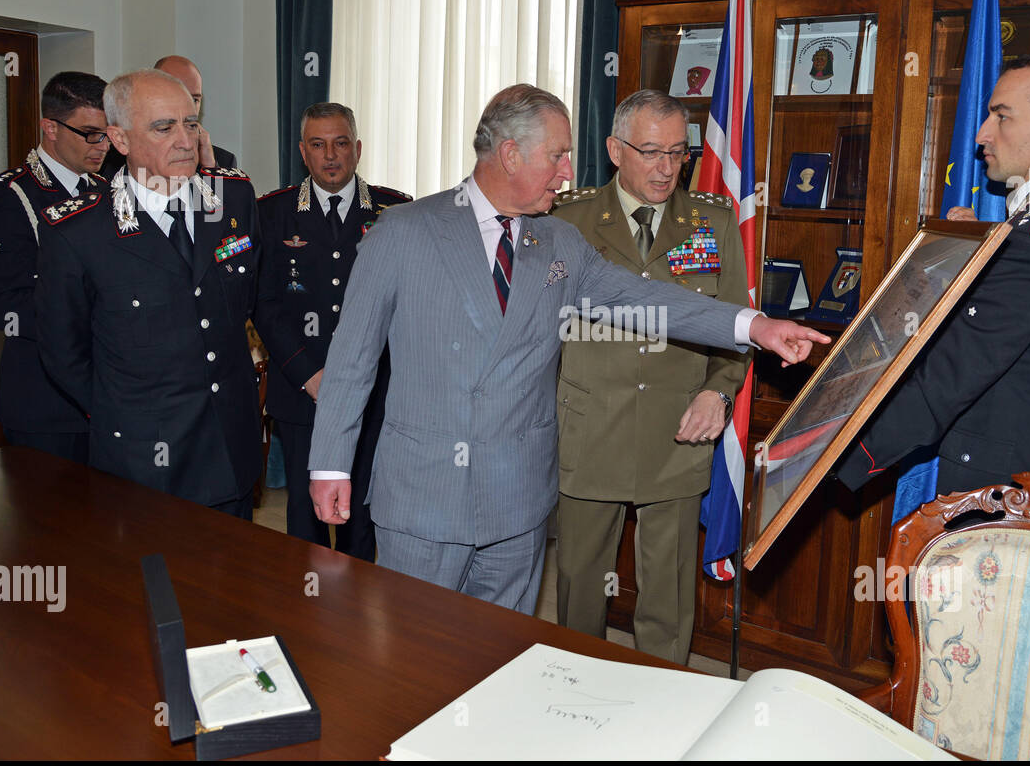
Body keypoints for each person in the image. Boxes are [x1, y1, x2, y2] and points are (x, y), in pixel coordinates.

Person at [307, 83, 827, 613]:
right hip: (425, 499)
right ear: (510, 154)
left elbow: (643, 297)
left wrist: (755, 326)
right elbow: (351, 361)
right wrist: (330, 467)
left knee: (500, 656)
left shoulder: (557, 242)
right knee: (414, 651)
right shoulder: (403, 232)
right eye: (557, 156)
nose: (567, 173)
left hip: (517, 503)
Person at [836, 53, 1030, 496]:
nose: (981, 134)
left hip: (1005, 498)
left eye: (1002, 117)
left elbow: (951, 376)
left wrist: (835, 455)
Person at [35, 69, 303, 518]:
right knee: (153, 586)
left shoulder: (233, 199)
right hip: (143, 462)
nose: (186, 141)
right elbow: (64, 354)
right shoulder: (78, 230)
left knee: (232, 584)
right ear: (119, 139)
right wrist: (127, 417)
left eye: (191, 123)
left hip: (229, 450)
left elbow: (254, 301)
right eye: (164, 127)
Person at [551, 90, 748, 664]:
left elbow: (733, 325)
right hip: (590, 429)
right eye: (651, 152)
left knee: (668, 594)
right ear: (615, 150)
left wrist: (719, 389)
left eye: (678, 154)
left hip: (676, 430)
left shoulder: (709, 223)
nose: (667, 168)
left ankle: (665, 703)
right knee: (581, 587)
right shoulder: (569, 221)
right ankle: (573, 693)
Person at [257, 102, 412, 559]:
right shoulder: (272, 213)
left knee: (362, 516)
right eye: (319, 145)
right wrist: (308, 375)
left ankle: (357, 620)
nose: (331, 156)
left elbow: (408, 304)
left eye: (341, 143)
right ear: (303, 153)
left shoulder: (396, 211)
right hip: (302, 387)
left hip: (375, 392)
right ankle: (303, 616)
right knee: (306, 518)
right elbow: (264, 305)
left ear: (357, 149)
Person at [0, 72, 110, 462]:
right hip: (44, 397)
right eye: (90, 133)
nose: (102, 145)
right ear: (50, 127)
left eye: (107, 133)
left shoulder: (103, 191)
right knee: (47, 522)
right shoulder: (12, 194)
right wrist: (90, 315)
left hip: (103, 390)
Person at [100, 55, 236, 179]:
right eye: (164, 129)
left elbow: (220, 204)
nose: (187, 144)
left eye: (194, 99)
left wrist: (210, 169)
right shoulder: (106, 160)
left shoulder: (221, 161)